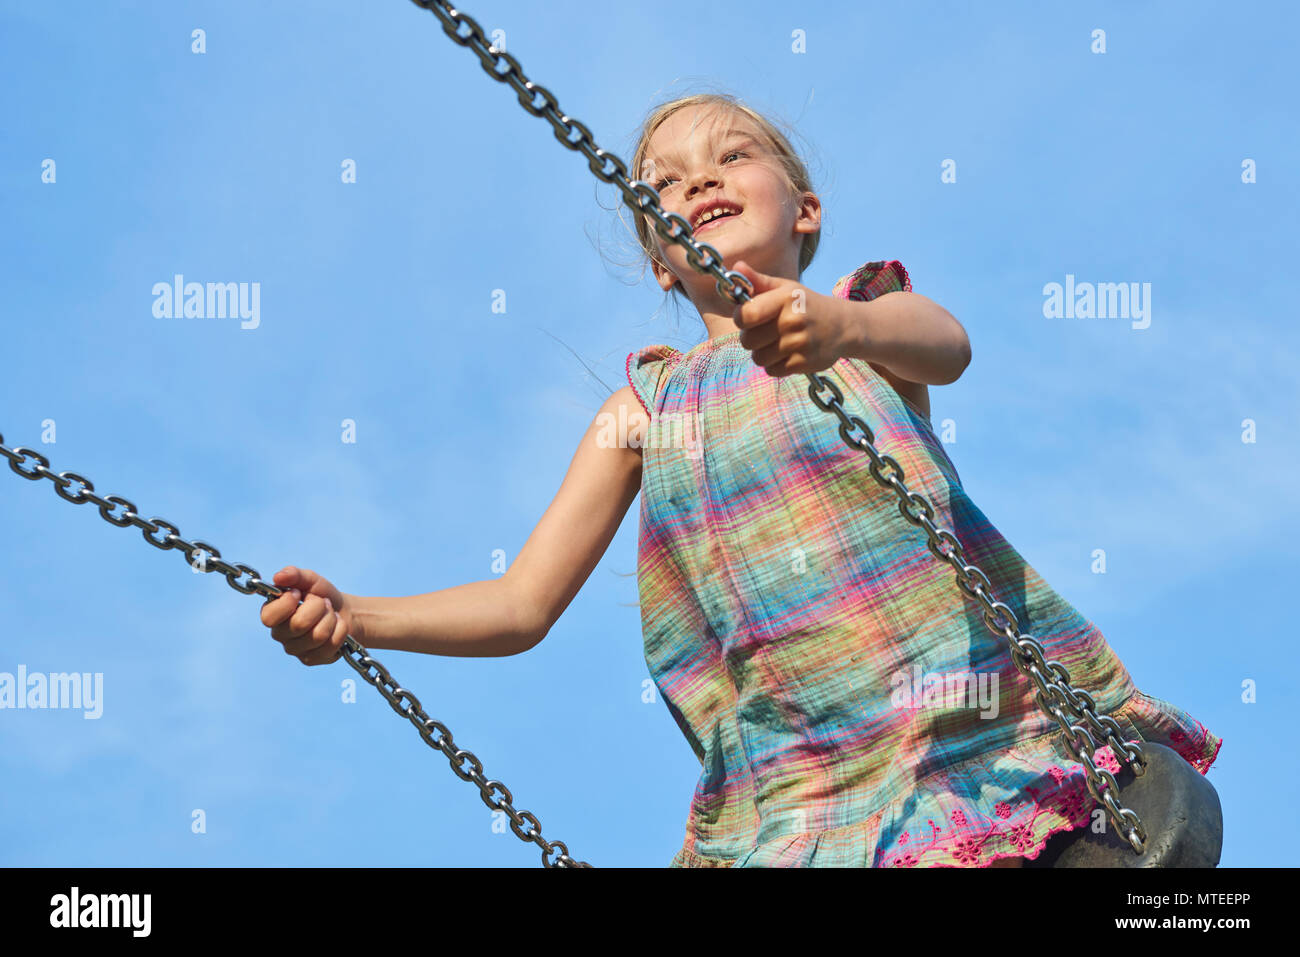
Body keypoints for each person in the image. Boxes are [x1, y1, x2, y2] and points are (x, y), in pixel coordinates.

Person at [259, 92, 1223, 868]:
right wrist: (359, 617)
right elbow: (520, 603)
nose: (702, 178)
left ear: (805, 209)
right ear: (659, 264)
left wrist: (838, 327)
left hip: (961, 729)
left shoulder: (863, 317)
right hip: (797, 786)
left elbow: (949, 347)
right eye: (667, 181)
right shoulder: (644, 406)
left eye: (730, 156)